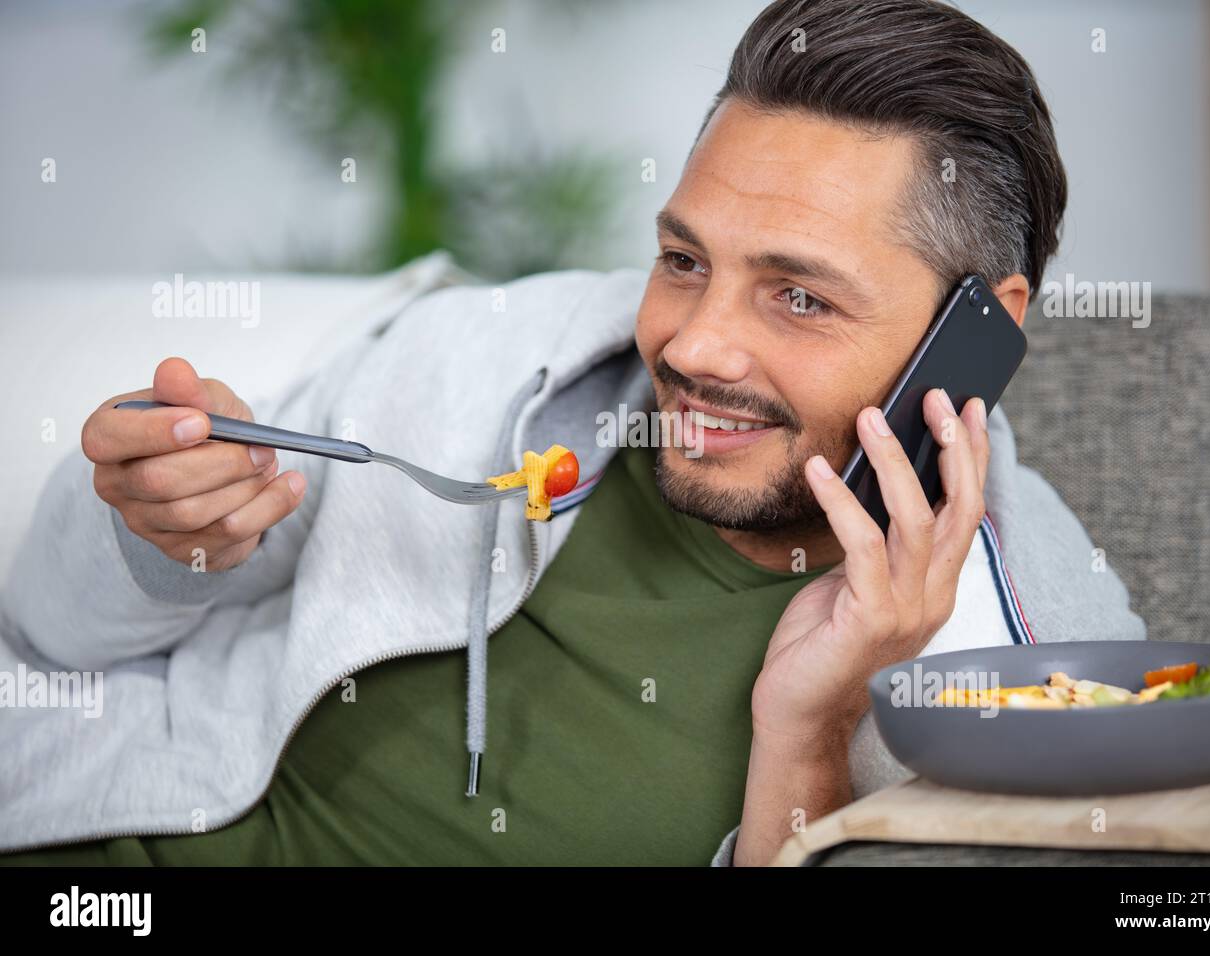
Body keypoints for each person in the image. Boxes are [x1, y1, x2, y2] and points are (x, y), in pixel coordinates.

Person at [0, 0, 1142, 867]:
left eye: (799, 296)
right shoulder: (481, 356)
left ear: (977, 335)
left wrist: (811, 726)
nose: (693, 345)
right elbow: (49, 634)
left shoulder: (1040, 670)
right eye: (684, 260)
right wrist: (166, 534)